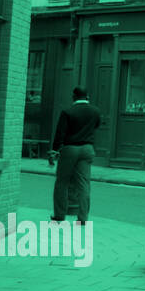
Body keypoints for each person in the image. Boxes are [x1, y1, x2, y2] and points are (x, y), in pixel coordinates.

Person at [51, 87, 101, 224]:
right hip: (87, 149)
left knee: (62, 182)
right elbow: (96, 126)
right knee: (84, 184)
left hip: (70, 149)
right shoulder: (95, 111)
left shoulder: (67, 111)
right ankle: (83, 218)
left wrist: (54, 150)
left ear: (74, 96)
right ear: (87, 97)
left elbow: (60, 133)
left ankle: (60, 215)